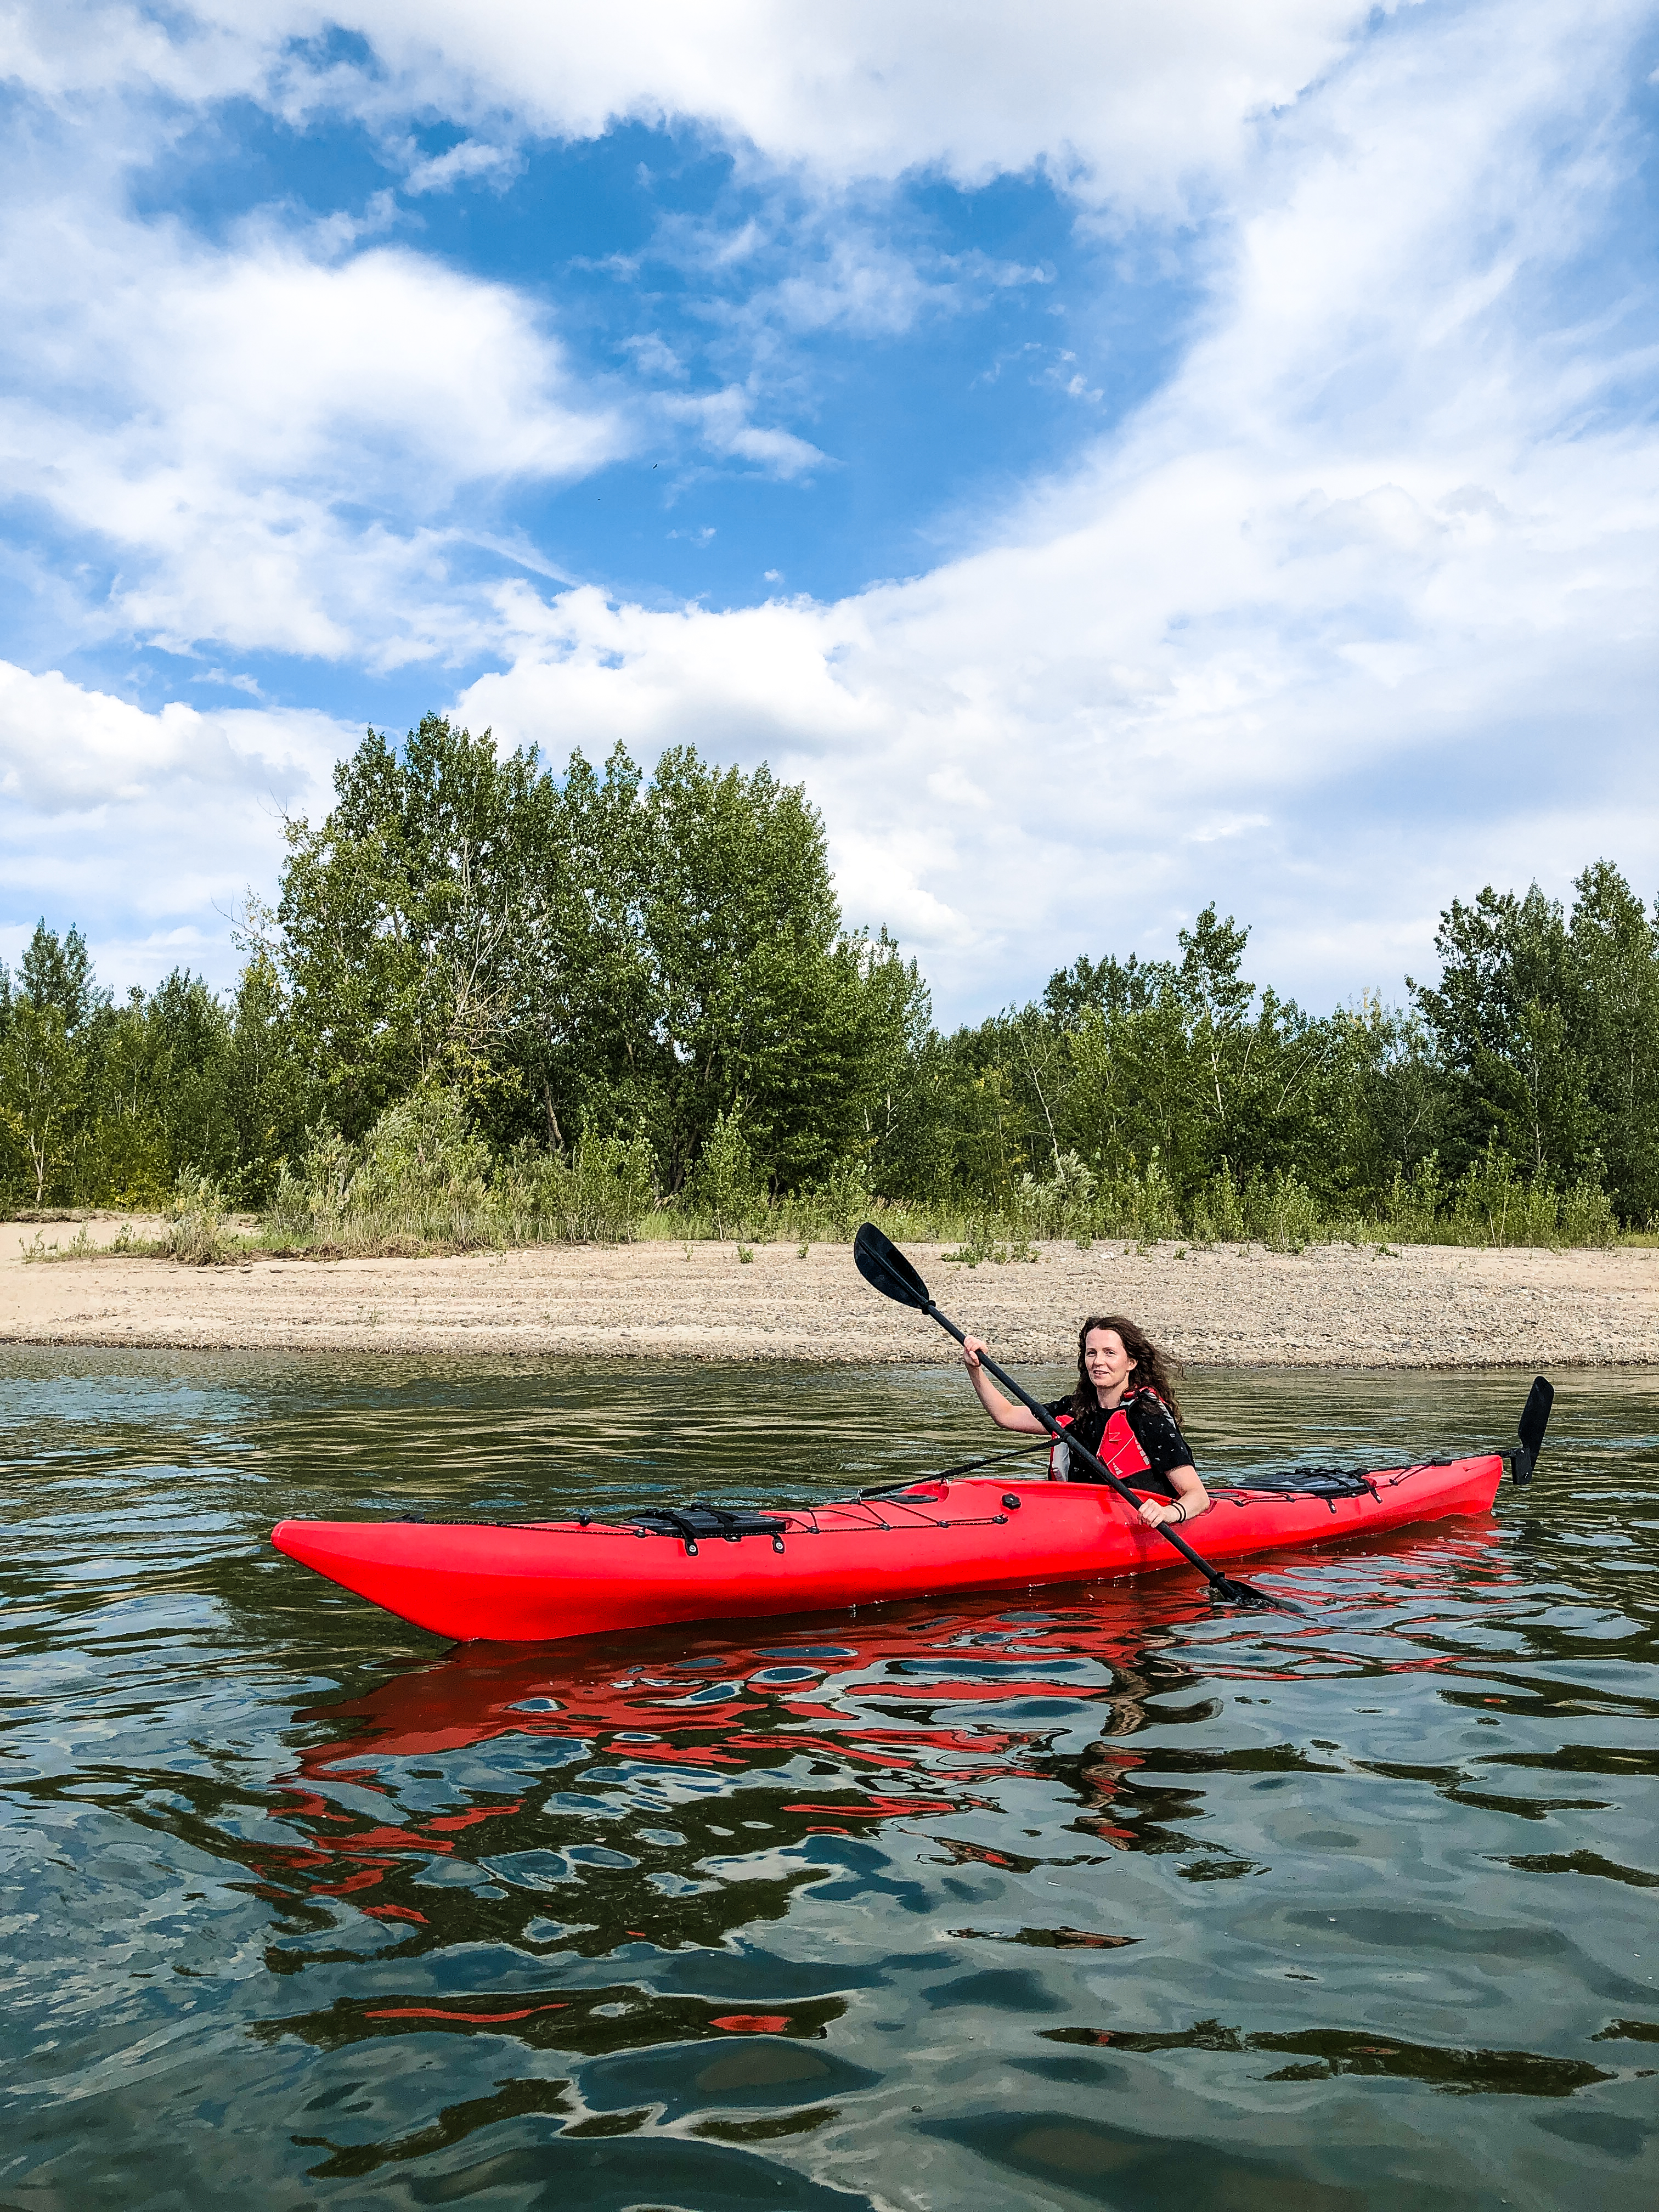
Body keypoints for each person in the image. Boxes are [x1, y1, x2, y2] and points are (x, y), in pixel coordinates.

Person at [960, 1314, 1209, 1530]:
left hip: (1140, 1523)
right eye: (1092, 1353)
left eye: (1109, 1353)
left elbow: (1198, 1496)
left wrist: (1168, 1513)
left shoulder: (1147, 1415)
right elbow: (1006, 1416)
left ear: (1131, 1363)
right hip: (1079, 1521)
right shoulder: (1075, 1410)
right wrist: (975, 1370)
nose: (1098, 1361)